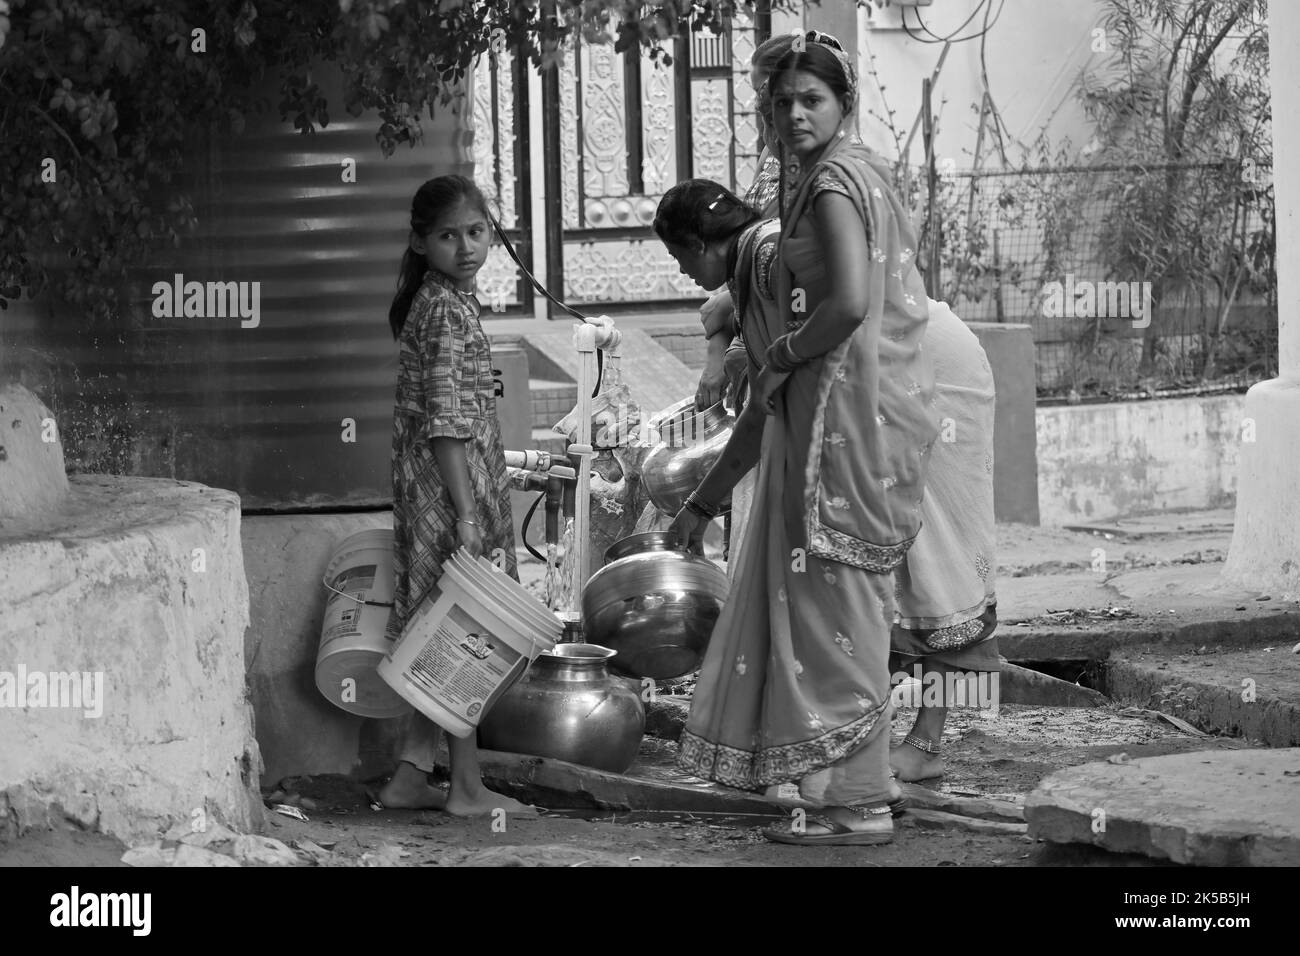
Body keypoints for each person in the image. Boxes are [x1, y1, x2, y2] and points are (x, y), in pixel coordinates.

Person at [662, 35, 939, 846]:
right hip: (852, 413)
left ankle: (861, 804)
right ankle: (855, 789)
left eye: (810, 99)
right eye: (780, 102)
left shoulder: (829, 187)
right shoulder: (849, 175)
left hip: (838, 424)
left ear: (840, 103)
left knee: (833, 604)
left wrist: (776, 354)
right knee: (841, 601)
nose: (792, 114)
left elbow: (849, 302)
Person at [377, 174, 535, 817]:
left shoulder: (446, 299)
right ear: (420, 243)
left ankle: (412, 775)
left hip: (441, 489)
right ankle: (466, 787)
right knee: (461, 636)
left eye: (476, 232)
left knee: (440, 627)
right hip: (448, 494)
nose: (466, 247)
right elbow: (446, 423)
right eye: (448, 236)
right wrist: (469, 513)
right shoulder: (444, 309)